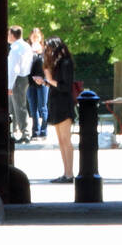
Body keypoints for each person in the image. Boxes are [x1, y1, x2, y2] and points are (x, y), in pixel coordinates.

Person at [42, 36, 76, 182]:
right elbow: (58, 85)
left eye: (48, 48)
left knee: (66, 140)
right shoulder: (58, 64)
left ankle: (69, 174)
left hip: (63, 104)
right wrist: (46, 82)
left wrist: (50, 80)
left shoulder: (66, 63)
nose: (46, 51)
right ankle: (66, 172)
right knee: (61, 141)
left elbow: (65, 87)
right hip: (56, 103)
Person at [7, 25, 33, 144]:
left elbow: (14, 69)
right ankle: (15, 131)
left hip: (17, 79)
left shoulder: (15, 49)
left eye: (8, 34)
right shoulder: (26, 46)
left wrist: (9, 85)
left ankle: (24, 133)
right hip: (24, 77)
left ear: (12, 35)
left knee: (18, 106)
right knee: (16, 106)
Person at [26, 28, 49, 140]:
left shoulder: (45, 50)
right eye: (33, 36)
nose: (35, 38)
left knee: (42, 107)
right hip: (30, 82)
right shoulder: (27, 50)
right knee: (33, 107)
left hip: (43, 81)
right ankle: (35, 131)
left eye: (37, 36)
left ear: (40, 37)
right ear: (30, 37)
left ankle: (44, 131)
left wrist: (43, 79)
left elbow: (49, 67)